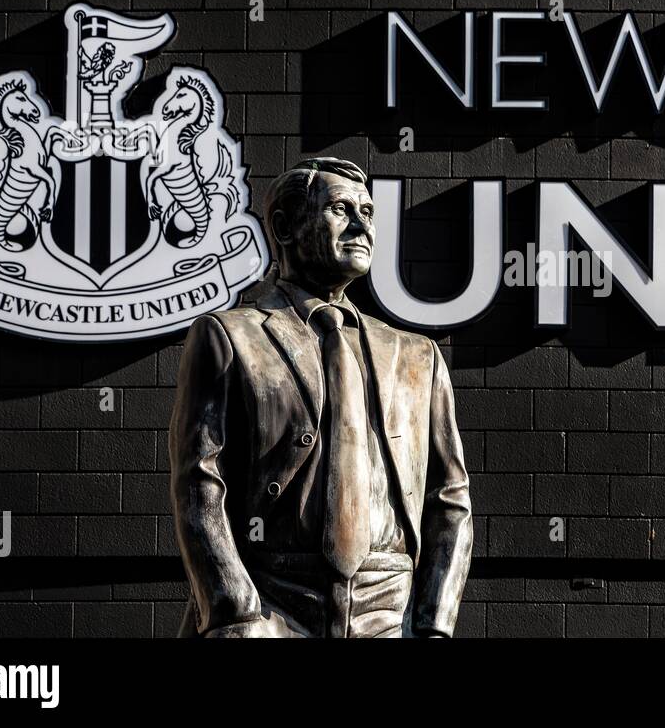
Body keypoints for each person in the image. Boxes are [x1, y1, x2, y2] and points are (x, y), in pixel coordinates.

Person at [169, 157, 472, 637]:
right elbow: (200, 483)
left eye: (368, 212)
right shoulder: (231, 337)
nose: (361, 224)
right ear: (285, 227)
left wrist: (434, 623)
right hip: (273, 603)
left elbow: (449, 497)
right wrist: (235, 609)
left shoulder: (417, 356)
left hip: (392, 608)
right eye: (340, 209)